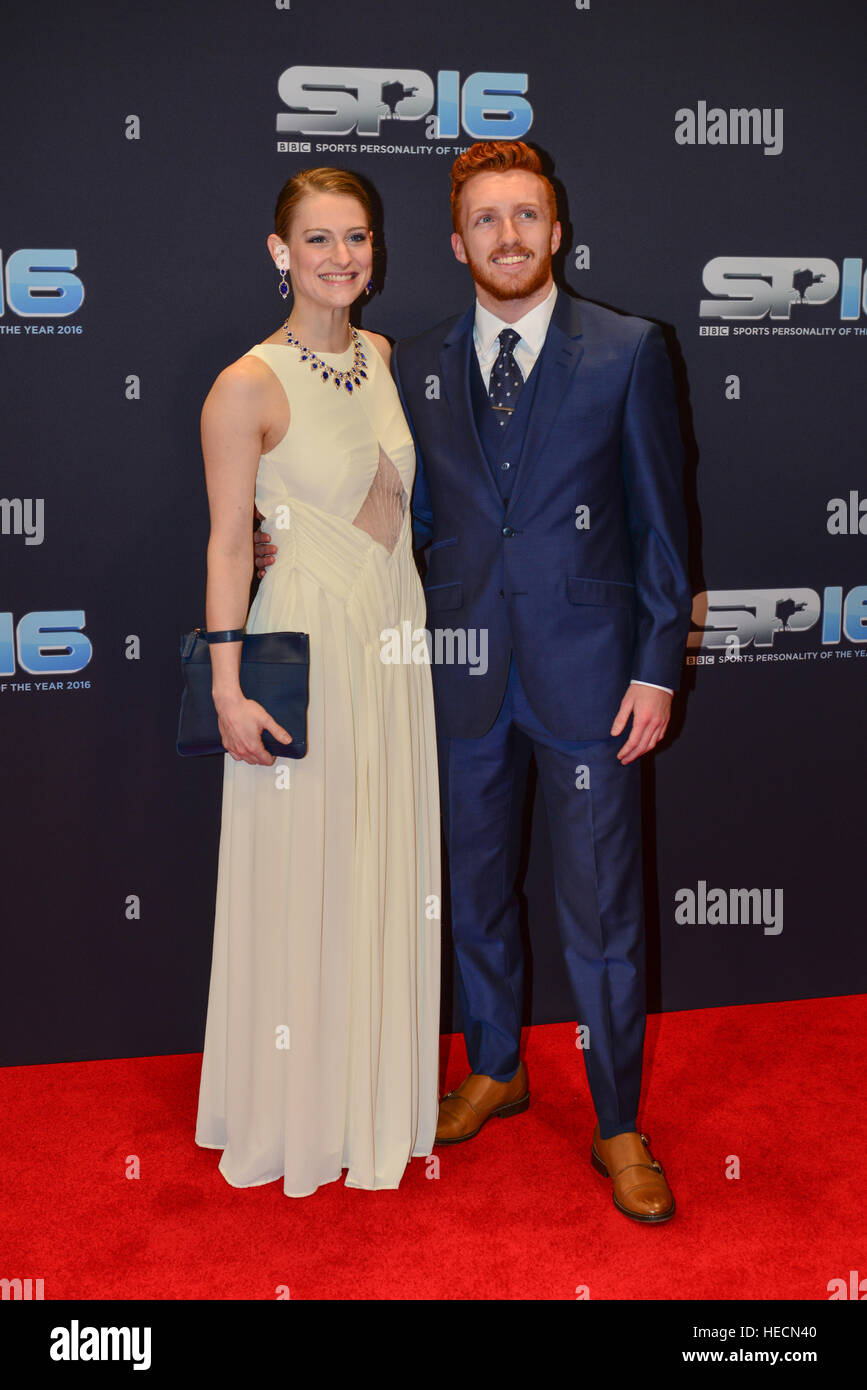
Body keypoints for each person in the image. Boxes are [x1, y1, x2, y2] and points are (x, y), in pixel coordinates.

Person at [256, 141, 692, 1223]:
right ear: (456, 243)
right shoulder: (415, 361)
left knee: (603, 915)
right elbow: (404, 513)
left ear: (556, 232)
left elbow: (663, 529)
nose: (508, 236)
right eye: (486, 220)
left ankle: (618, 1120)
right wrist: (292, 546)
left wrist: (655, 668)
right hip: (452, 682)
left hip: (593, 681)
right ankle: (497, 1066)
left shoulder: (630, 351)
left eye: (526, 217)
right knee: (471, 893)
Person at [194, 167, 441, 1198]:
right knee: (305, 867)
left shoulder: (379, 356)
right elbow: (222, 546)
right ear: (278, 250)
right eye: (320, 240)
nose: (342, 258)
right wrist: (226, 683)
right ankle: (291, 1110)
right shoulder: (245, 384)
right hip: (305, 643)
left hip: (392, 632)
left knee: (376, 856)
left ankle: (365, 1093)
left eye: (358, 238)